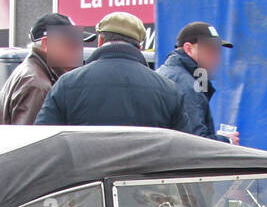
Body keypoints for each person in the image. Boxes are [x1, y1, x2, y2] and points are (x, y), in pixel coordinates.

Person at [34, 12, 189, 131]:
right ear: (139, 48)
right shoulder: (169, 90)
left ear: (100, 40)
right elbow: (184, 150)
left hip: (84, 173)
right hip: (145, 172)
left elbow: (43, 142)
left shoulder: (67, 85)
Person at [0, 13, 87, 126]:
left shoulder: (33, 74)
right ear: (46, 44)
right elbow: (29, 140)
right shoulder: (37, 85)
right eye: (71, 44)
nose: (78, 52)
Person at [157, 21, 239, 144]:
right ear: (188, 49)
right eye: (210, 51)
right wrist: (227, 141)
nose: (217, 59)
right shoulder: (187, 85)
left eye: (218, 52)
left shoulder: (166, 73)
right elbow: (196, 143)